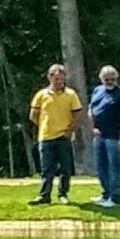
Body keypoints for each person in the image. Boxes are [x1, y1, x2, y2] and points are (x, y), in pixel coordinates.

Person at [28, 63, 82, 204]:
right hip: (45, 137)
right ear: (49, 78)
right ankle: (44, 195)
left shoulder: (71, 94)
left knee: (65, 168)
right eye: (56, 78)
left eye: (61, 78)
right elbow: (33, 115)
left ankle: (62, 194)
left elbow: (77, 114)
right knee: (47, 169)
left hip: (63, 136)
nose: (58, 81)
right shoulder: (41, 95)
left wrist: (69, 131)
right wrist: (44, 126)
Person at [85, 64, 120, 208]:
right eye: (106, 79)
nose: (109, 81)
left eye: (112, 79)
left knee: (114, 167)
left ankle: (115, 198)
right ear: (101, 79)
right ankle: (106, 194)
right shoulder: (97, 91)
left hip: (114, 136)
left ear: (116, 79)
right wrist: (92, 128)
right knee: (101, 166)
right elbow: (90, 110)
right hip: (99, 135)